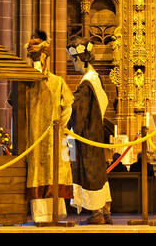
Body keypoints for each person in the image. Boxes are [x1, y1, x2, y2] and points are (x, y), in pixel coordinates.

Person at [18, 31, 73, 224]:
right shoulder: (25, 81)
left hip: (52, 138)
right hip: (34, 137)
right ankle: (41, 215)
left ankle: (53, 214)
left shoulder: (57, 82)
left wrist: (59, 128)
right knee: (38, 171)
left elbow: (67, 107)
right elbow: (16, 106)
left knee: (52, 170)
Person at [67, 40, 113, 225]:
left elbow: (79, 112)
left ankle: (96, 215)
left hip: (85, 136)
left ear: (81, 60)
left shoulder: (87, 84)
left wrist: (67, 120)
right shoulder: (97, 79)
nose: (73, 64)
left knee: (90, 174)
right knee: (99, 173)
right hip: (95, 134)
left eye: (73, 60)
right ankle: (105, 211)